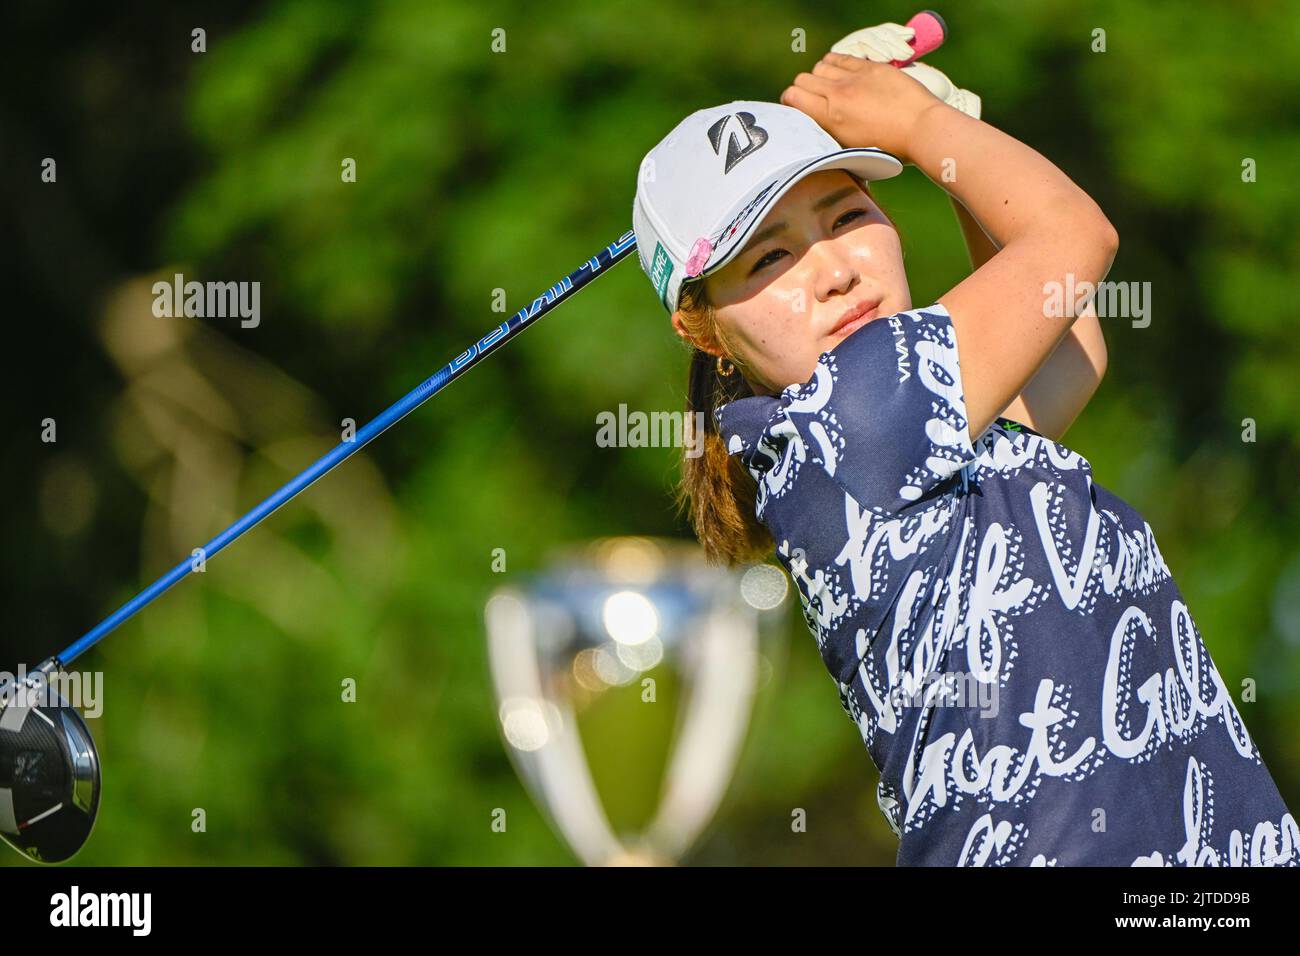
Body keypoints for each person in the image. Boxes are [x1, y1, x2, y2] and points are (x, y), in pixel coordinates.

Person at [630, 25, 1297, 866]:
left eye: (847, 215)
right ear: (701, 327)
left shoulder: (889, 434)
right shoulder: (862, 415)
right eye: (770, 256)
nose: (834, 267)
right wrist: (917, 129)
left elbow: (1069, 347)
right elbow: (1074, 241)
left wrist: (951, 142)